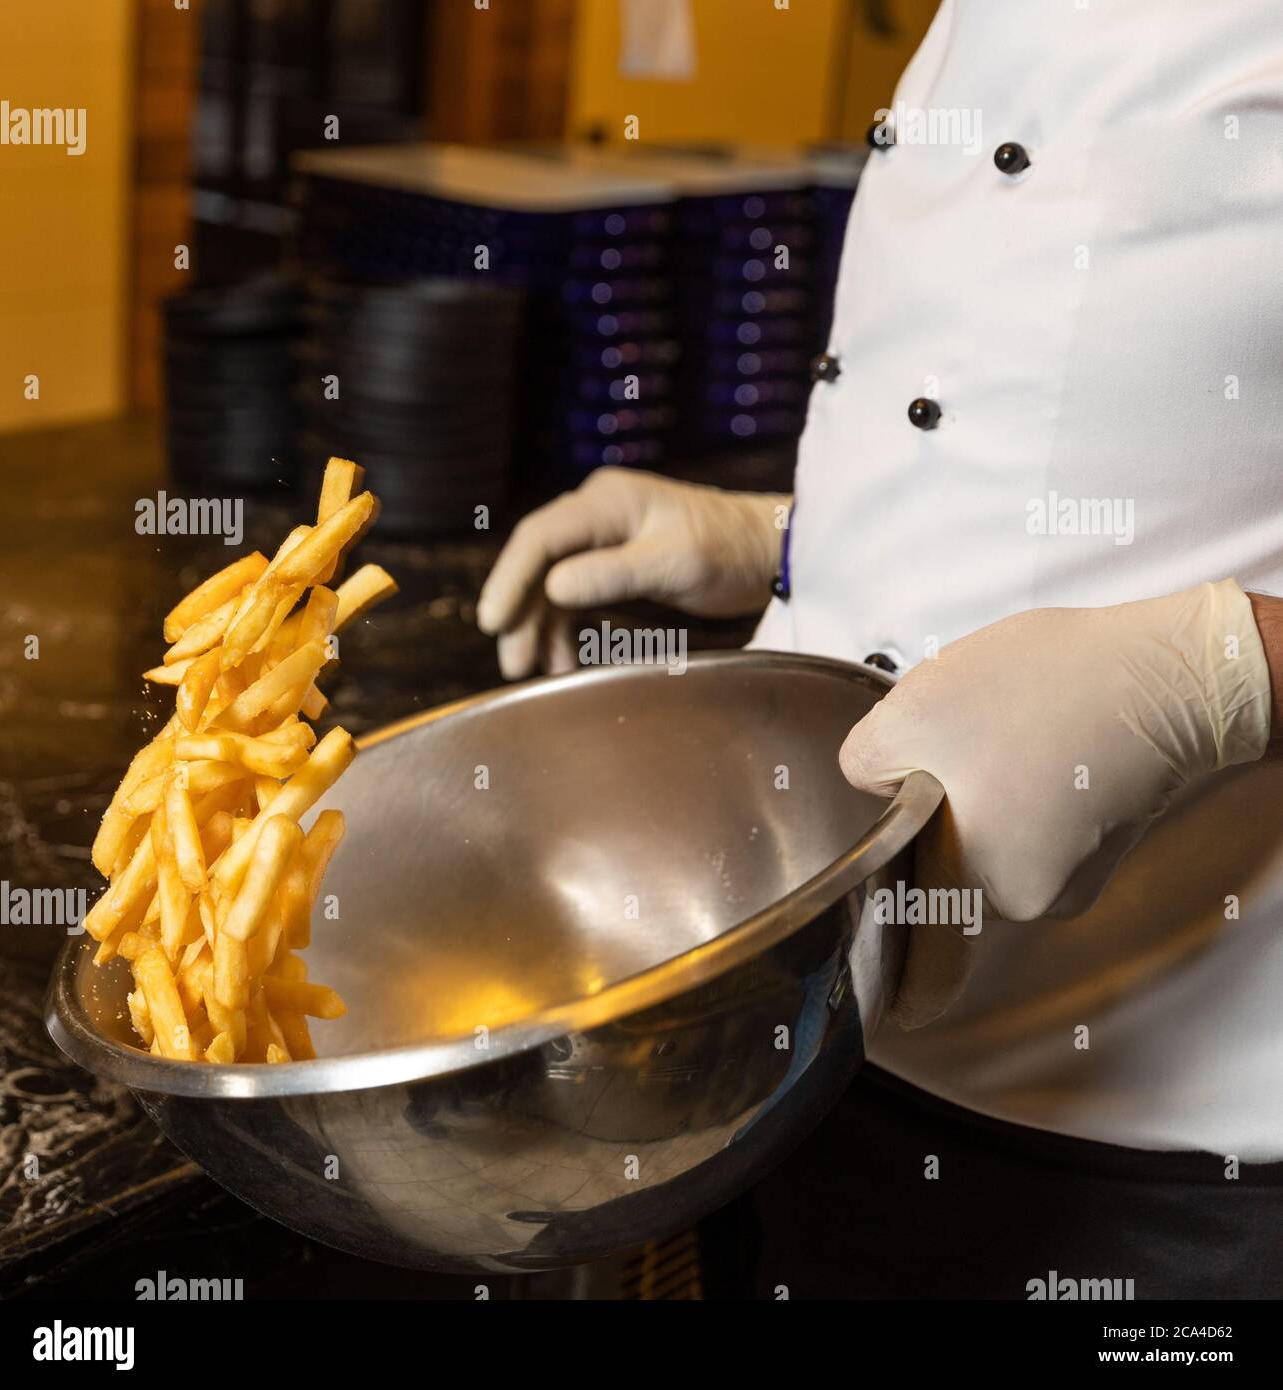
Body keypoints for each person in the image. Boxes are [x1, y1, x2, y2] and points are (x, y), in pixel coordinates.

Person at [477, 0, 1283, 1298]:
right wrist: (791, 538)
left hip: (1160, 1171)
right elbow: (1080, 438)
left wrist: (1228, 667)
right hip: (822, 1068)